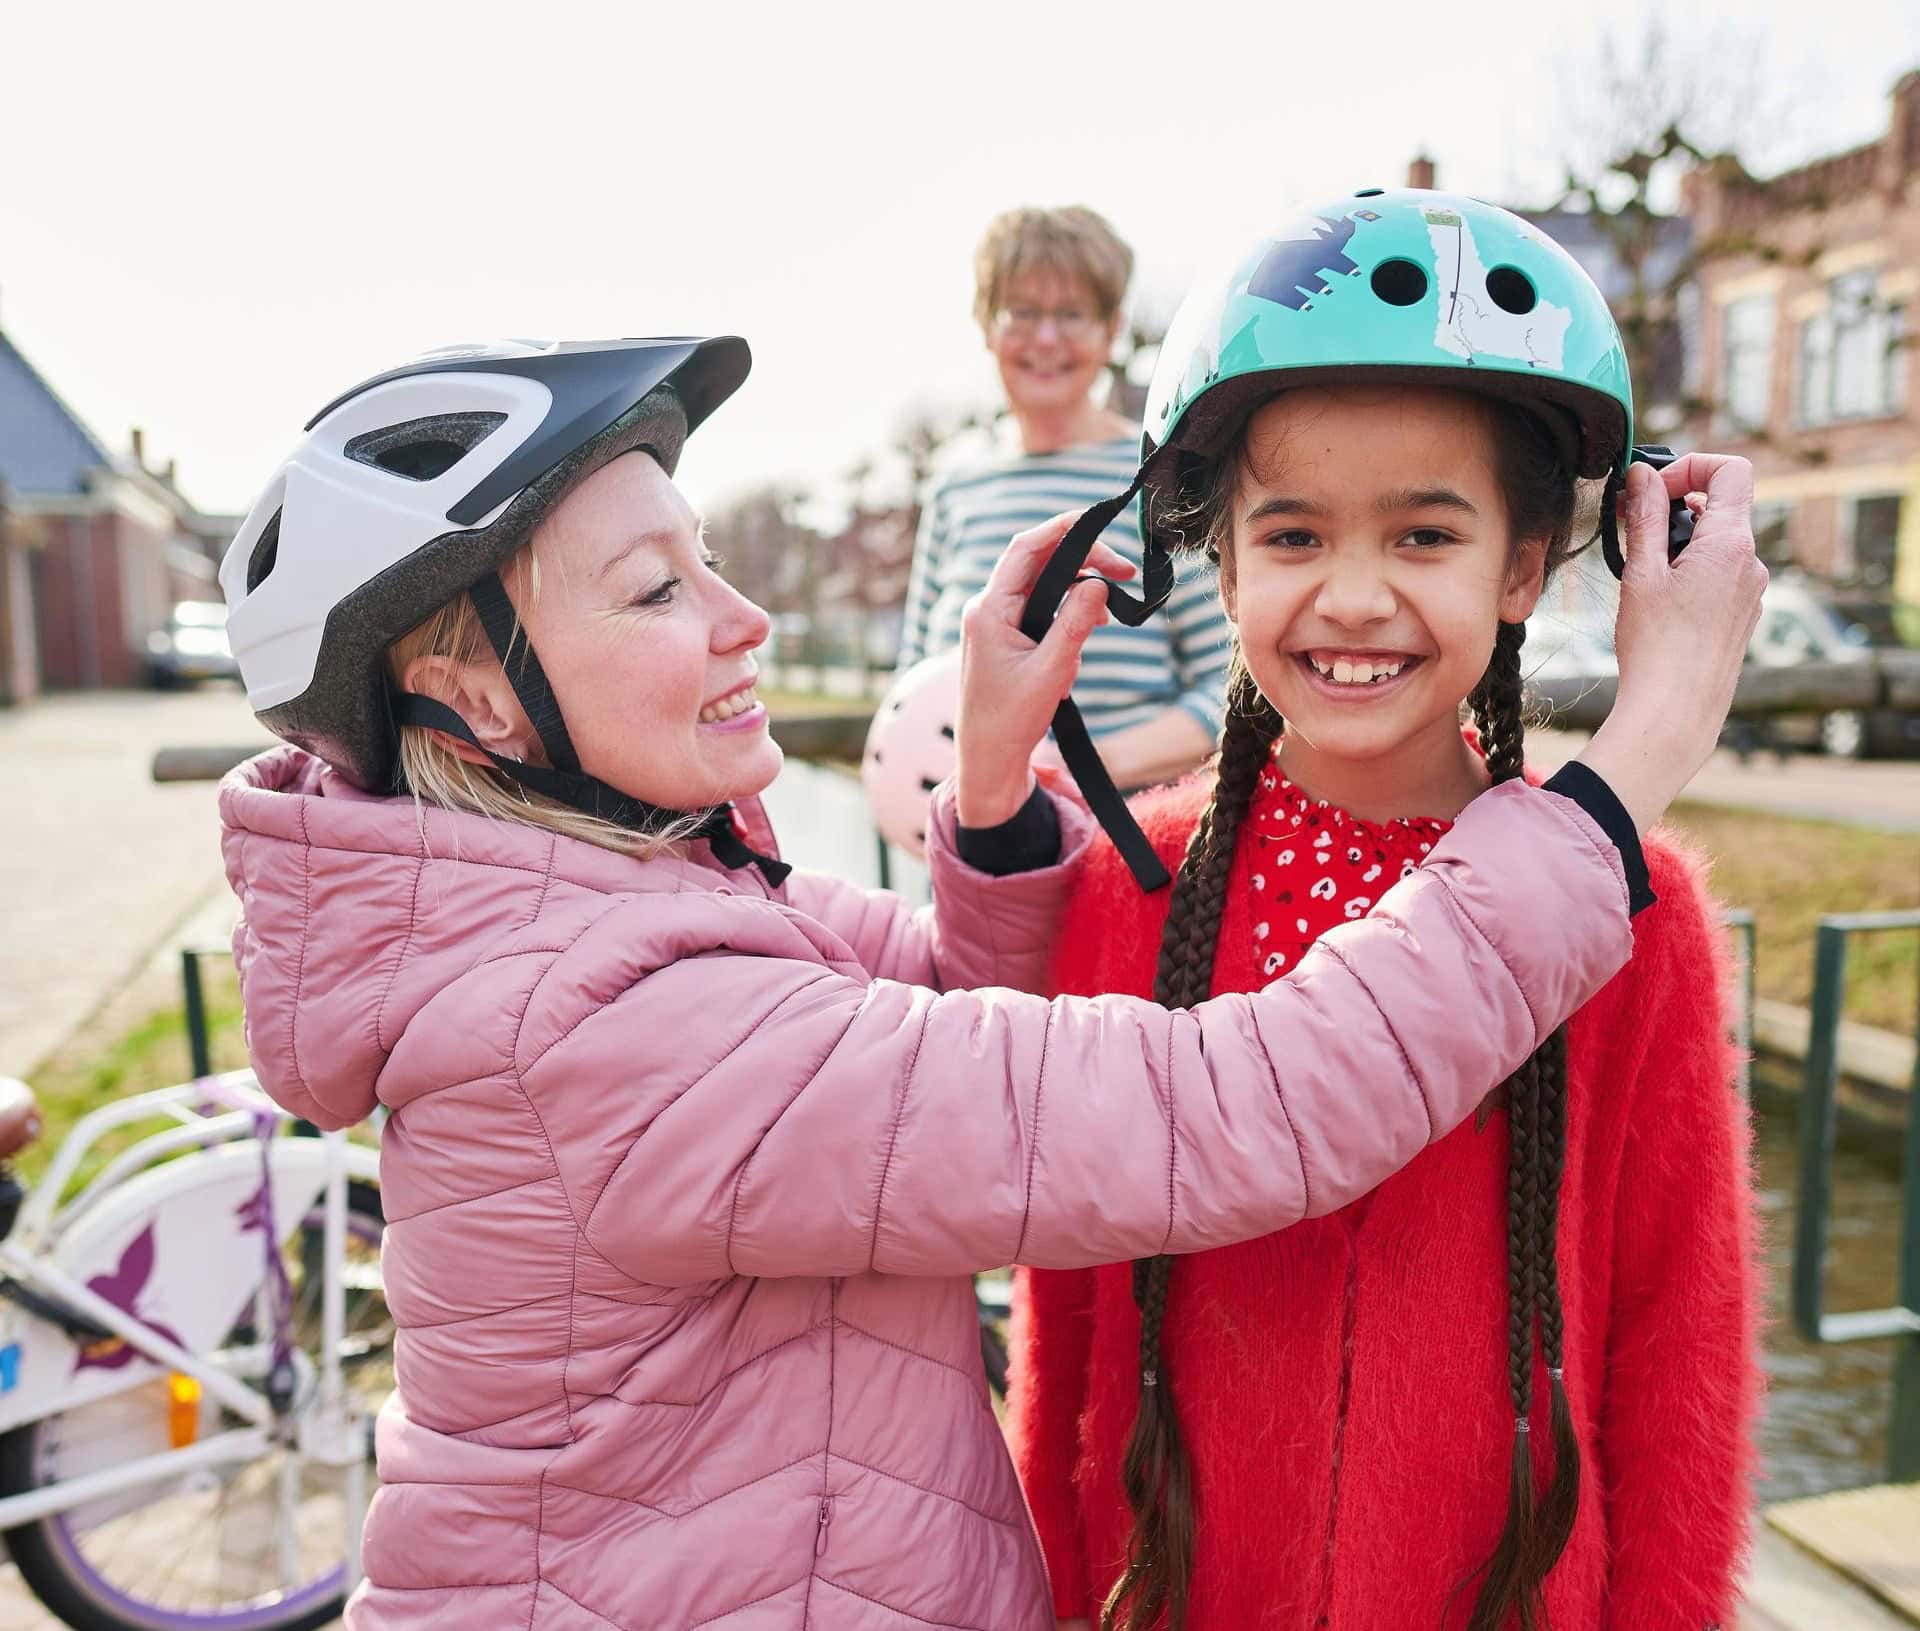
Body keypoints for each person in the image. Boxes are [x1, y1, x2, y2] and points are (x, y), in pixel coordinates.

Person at [213, 333, 1757, 1629]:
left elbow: (958, 1037)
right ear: (475, 693)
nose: (746, 618)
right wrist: (1636, 756)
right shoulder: (613, 1027)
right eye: (653, 591)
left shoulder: (649, 909)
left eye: (709, 562)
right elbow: (1234, 1107)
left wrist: (1002, 776)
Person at [1002, 193, 1763, 1631]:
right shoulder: (1133, 884)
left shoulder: (1639, 916)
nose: (1354, 597)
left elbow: (1683, 1356)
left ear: (1523, 566)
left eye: (1425, 534)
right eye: (1293, 534)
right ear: (1223, 563)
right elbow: (1069, 1325)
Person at [898, 204, 1229, 791]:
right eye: (1022, 312)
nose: (1046, 339)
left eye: (1072, 315)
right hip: (977, 830)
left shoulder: (1162, 476)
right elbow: (912, 688)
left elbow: (1230, 683)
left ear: (1111, 329)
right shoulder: (953, 490)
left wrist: (1079, 771)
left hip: (1130, 828)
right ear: (986, 325)